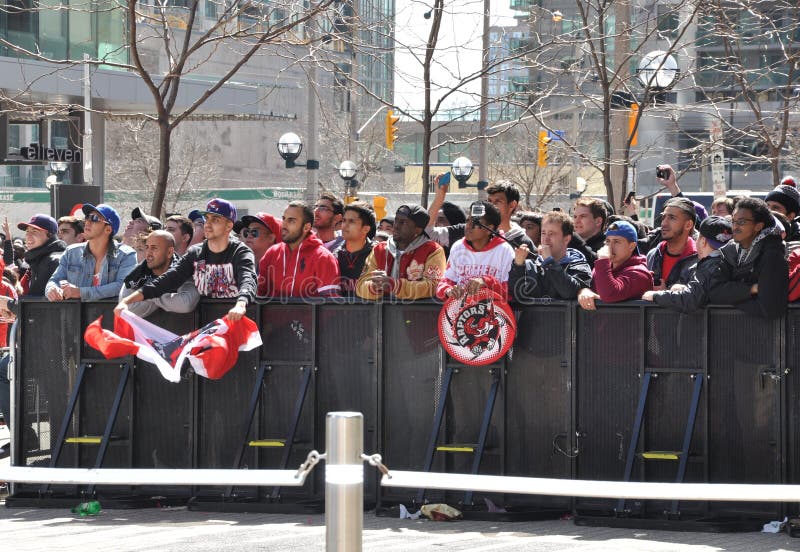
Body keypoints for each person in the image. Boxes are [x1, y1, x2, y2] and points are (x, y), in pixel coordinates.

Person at [116, 198, 255, 321]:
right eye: (207, 218)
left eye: (215, 220)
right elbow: (168, 279)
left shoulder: (240, 252)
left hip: (235, 322)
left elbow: (248, 280)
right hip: (204, 327)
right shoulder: (196, 252)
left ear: (229, 226)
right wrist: (127, 301)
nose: (208, 224)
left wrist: (241, 304)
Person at [708, 197, 788, 320]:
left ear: (758, 226)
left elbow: (768, 309)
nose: (734, 227)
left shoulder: (772, 255)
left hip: (764, 335)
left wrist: (730, 297)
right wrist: (751, 289)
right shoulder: (729, 250)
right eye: (733, 222)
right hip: (730, 331)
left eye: (741, 222)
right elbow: (713, 291)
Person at [45, 204, 137, 302]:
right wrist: (52, 290)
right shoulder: (71, 252)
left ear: (108, 229)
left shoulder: (126, 255)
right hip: (75, 316)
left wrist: (81, 292)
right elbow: (53, 281)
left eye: (95, 218)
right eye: (87, 217)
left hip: (109, 316)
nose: (87, 222)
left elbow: (122, 287)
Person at [642, 216, 733, 312]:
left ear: (703, 241)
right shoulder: (730, 262)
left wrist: (655, 296)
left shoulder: (710, 265)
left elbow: (690, 299)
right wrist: (680, 288)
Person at [357, 204, 445, 301]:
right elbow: (360, 286)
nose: (396, 226)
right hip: (381, 314)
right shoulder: (379, 249)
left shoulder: (433, 251)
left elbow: (433, 287)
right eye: (396, 220)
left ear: (418, 229)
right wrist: (374, 286)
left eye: (403, 222)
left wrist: (395, 285)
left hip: (416, 314)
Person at [258, 201, 340, 298]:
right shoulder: (272, 253)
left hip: (310, 314)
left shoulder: (324, 258)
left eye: (291, 221)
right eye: (284, 219)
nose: (284, 225)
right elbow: (259, 295)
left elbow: (330, 307)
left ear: (306, 227)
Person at [436, 200, 515, 301]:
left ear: (489, 229)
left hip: (494, 313)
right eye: (468, 221)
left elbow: (509, 293)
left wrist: (486, 282)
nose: (468, 226)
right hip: (460, 313)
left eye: (475, 222)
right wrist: (448, 290)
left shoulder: (504, 251)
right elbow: (444, 282)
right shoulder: (458, 247)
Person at [508, 211, 591, 302]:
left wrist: (548, 261)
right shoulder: (531, 264)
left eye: (552, 234)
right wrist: (518, 265)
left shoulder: (578, 264)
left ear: (566, 239)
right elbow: (518, 297)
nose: (546, 239)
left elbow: (569, 292)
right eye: (543, 233)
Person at [577, 220, 653, 310]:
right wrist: (584, 292)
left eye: (616, 242)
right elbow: (586, 287)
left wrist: (603, 261)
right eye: (608, 241)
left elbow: (609, 294)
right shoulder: (603, 267)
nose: (610, 247)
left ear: (631, 246)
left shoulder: (639, 274)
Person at [646, 197, 698, 290]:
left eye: (672, 218)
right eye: (663, 217)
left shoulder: (700, 259)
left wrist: (665, 294)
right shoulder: (653, 255)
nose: (663, 223)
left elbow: (696, 297)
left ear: (688, 225)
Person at [14, 215, 66, 296]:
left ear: (50, 235)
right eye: (27, 231)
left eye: (34, 231)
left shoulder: (54, 261)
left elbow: (41, 303)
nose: (28, 236)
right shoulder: (38, 258)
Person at [333, 202, 375, 296]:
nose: (345, 226)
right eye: (344, 220)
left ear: (366, 229)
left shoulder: (377, 255)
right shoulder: (333, 256)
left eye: (351, 221)